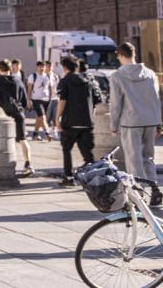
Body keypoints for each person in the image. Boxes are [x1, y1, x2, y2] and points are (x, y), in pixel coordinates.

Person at [108, 42, 162, 187]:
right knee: (148, 158)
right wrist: (158, 122)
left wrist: (113, 125)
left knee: (134, 160)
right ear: (134, 54)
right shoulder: (150, 74)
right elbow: (156, 98)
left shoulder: (117, 76)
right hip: (150, 120)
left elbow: (115, 104)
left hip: (131, 122)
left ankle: (139, 192)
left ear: (119, 55)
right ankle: (153, 191)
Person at [56, 57, 98, 186]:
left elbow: (63, 100)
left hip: (70, 121)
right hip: (87, 121)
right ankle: (94, 178)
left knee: (67, 149)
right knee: (88, 153)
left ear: (65, 67)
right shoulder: (88, 80)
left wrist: (57, 118)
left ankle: (68, 177)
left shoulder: (65, 81)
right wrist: (91, 118)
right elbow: (95, 102)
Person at [0, 60, 33, 176]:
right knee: (22, 139)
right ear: (10, 68)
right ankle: (28, 164)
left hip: (4, 114)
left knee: (5, 140)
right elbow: (24, 99)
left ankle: (6, 164)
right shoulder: (18, 80)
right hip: (18, 113)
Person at [29, 61, 58, 141]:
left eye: (43, 66)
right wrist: (29, 99)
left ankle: (35, 134)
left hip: (46, 99)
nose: (41, 68)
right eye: (39, 66)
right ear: (37, 67)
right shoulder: (33, 76)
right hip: (36, 99)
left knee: (39, 117)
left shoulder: (47, 76)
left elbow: (51, 87)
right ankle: (47, 132)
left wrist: (50, 97)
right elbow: (29, 88)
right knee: (43, 116)